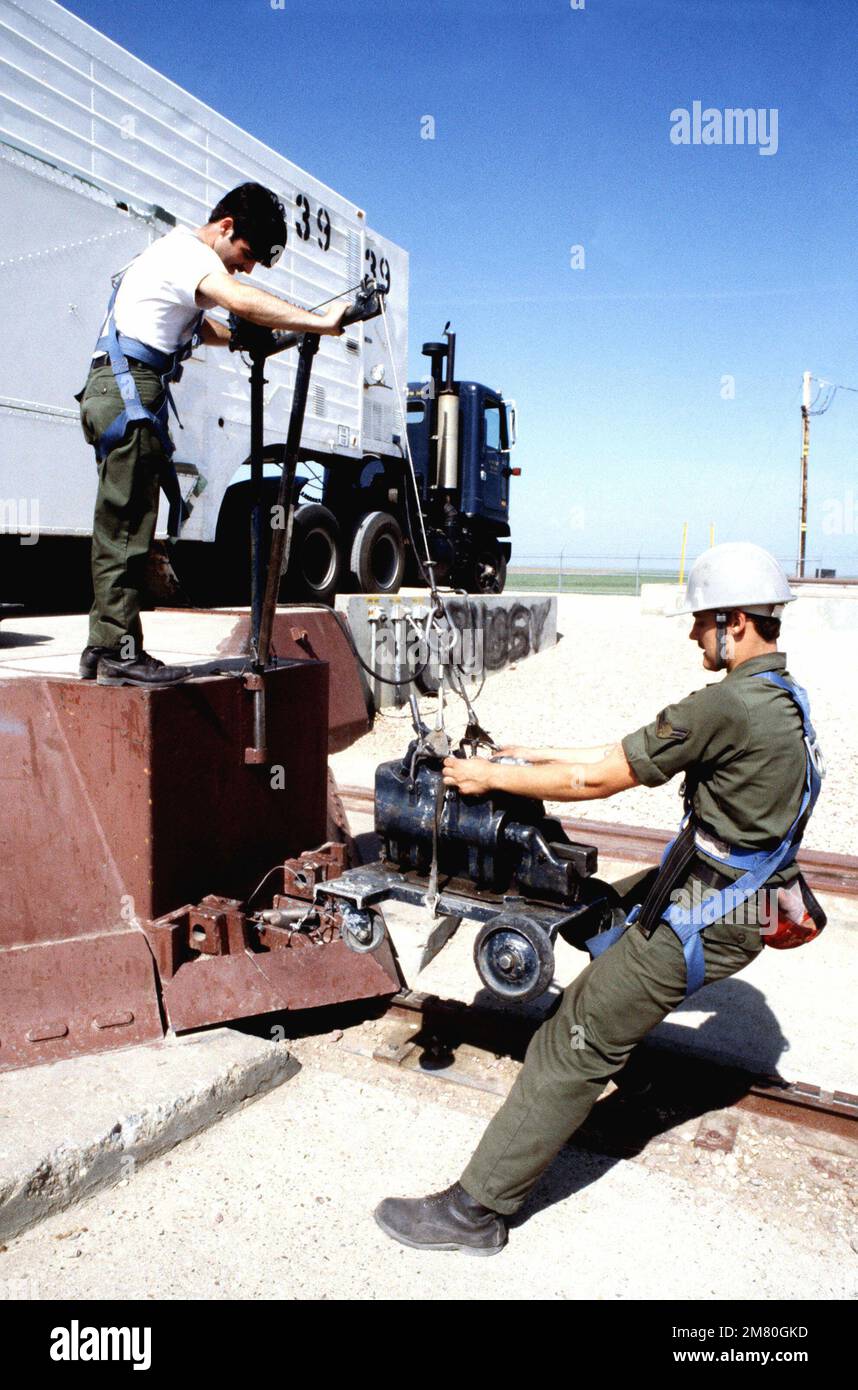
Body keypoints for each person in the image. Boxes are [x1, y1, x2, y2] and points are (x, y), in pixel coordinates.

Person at [374, 542, 824, 1255]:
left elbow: (596, 782)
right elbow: (602, 758)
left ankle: (476, 1212)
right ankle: (642, 1089)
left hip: (713, 911)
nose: (691, 633)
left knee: (569, 1035)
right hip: (731, 895)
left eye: (701, 619)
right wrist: (520, 760)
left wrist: (491, 781)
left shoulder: (725, 706)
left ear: (735, 622)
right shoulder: (781, 699)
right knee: (592, 911)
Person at [78, 182, 348, 686]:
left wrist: (241, 336)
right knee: (128, 529)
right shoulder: (189, 254)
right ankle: (118, 650)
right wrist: (318, 323)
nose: (244, 268)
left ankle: (103, 647)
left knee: (121, 522)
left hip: (118, 387)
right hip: (130, 388)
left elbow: (200, 327)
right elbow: (237, 298)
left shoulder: (169, 256)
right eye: (245, 255)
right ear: (225, 227)